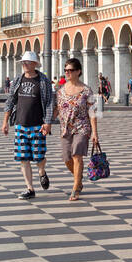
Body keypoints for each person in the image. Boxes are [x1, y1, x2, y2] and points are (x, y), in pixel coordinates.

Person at [1, 50, 55, 199]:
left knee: (39, 157)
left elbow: (50, 103)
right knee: (23, 158)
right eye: (23, 62)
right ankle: (30, 189)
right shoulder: (18, 80)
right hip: (20, 125)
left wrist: (48, 122)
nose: (24, 65)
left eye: (27, 62)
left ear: (34, 64)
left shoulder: (43, 81)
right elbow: (10, 101)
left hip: (38, 125)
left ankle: (42, 172)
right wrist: (5, 122)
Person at [57, 57, 98, 202]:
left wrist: (94, 133)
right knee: (67, 158)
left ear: (78, 71)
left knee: (77, 156)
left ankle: (75, 188)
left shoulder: (87, 90)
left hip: (82, 127)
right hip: (65, 128)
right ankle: (79, 179)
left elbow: (93, 112)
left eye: (70, 70)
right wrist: (46, 123)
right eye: (65, 70)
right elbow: (57, 109)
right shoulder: (61, 91)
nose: (67, 73)